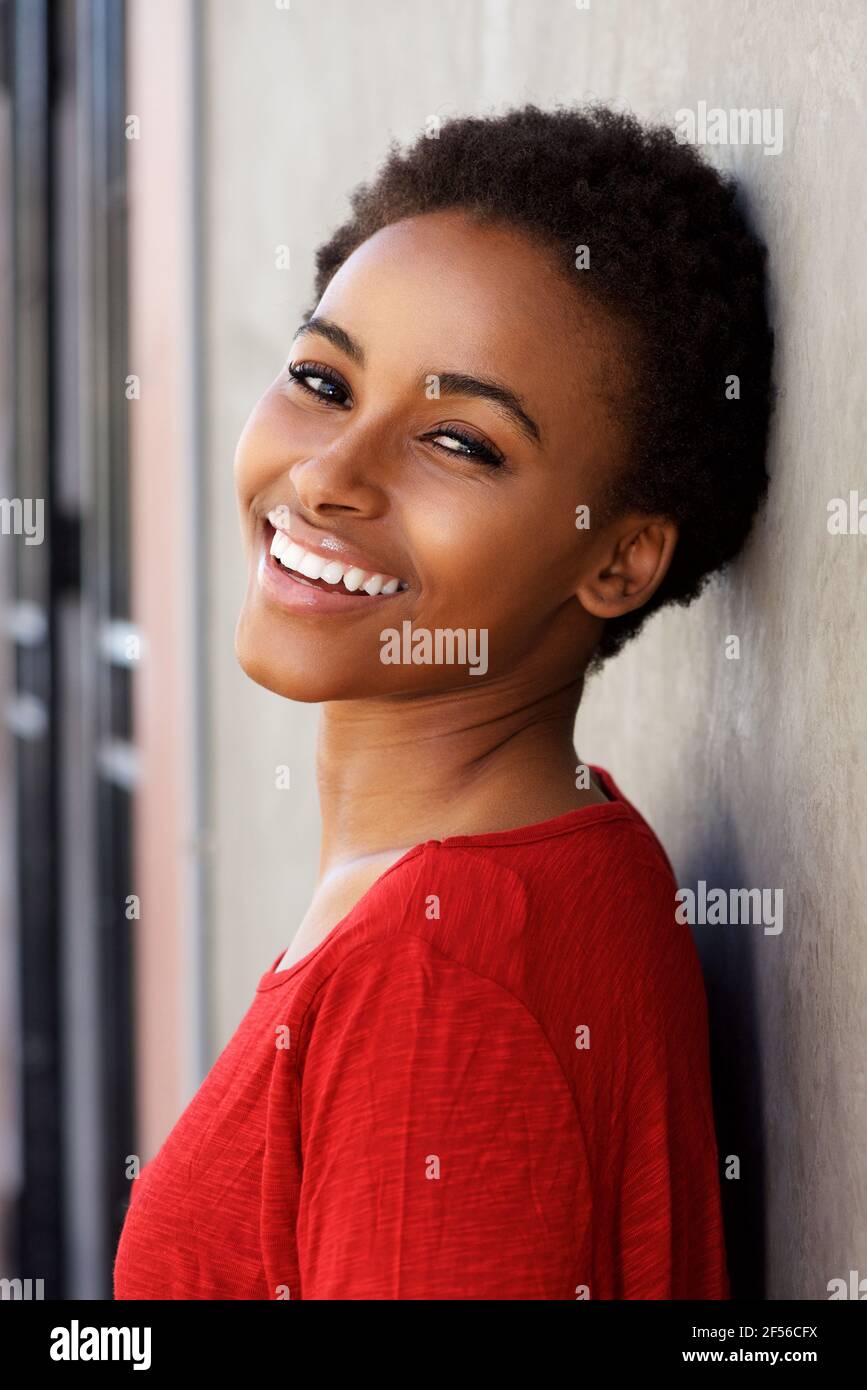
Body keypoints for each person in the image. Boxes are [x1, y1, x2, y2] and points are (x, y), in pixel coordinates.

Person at [114, 103, 773, 1300]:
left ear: (619, 558)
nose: (325, 475)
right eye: (322, 379)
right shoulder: (539, 861)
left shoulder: (437, 984)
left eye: (459, 442)